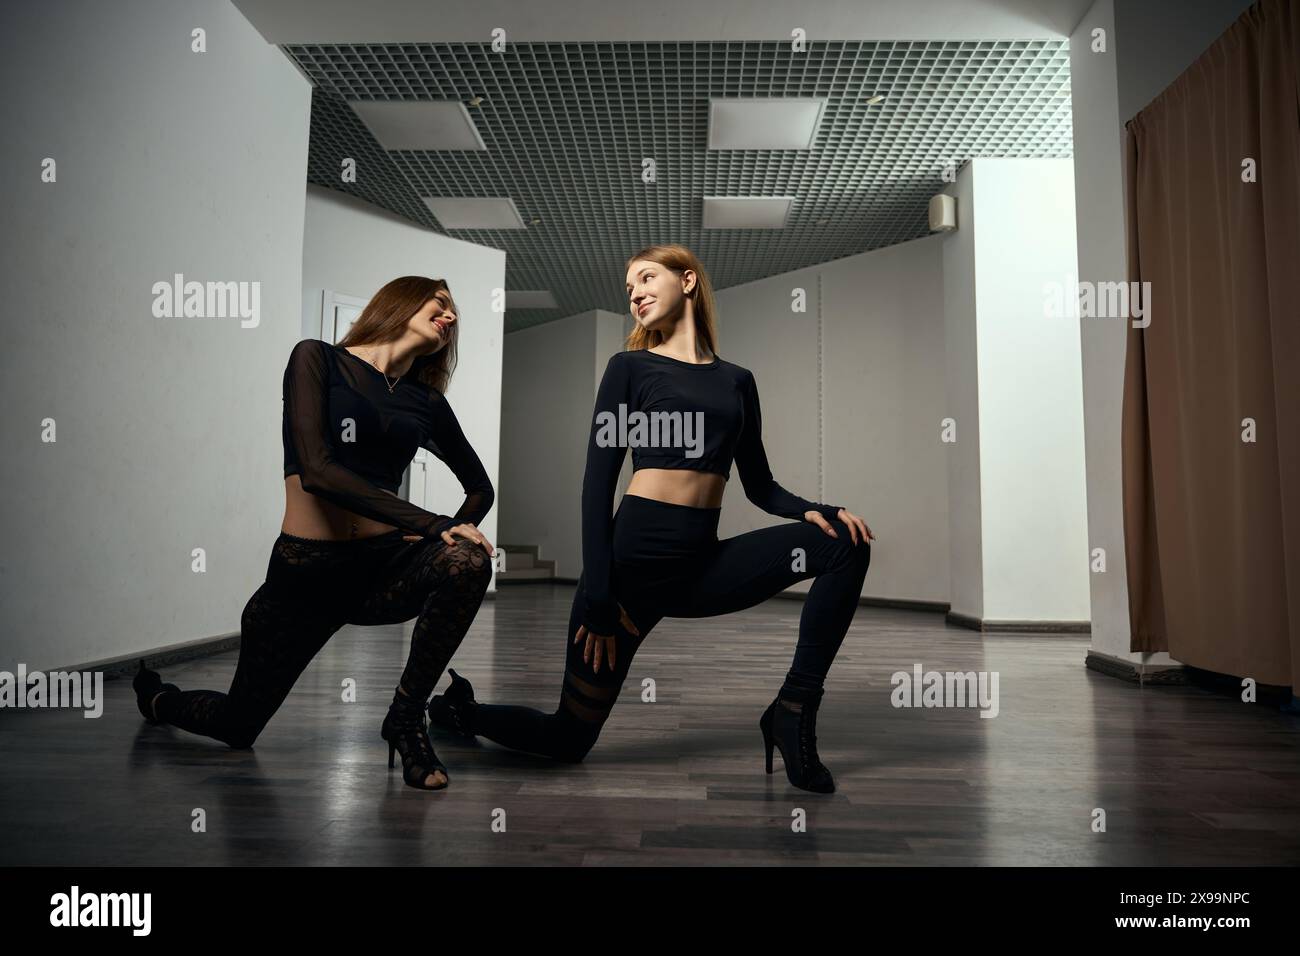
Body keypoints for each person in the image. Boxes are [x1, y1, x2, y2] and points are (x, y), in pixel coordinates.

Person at [429, 245, 872, 793]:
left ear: (688, 281)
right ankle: (460, 713)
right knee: (568, 740)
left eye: (646, 278)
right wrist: (598, 592)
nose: (635, 292)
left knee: (844, 546)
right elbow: (598, 482)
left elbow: (759, 485)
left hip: (702, 568)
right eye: (629, 287)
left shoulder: (737, 380)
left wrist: (818, 510)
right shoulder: (630, 368)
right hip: (629, 578)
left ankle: (793, 710)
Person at [133, 275, 495, 791]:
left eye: (454, 312)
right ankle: (159, 699)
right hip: (305, 577)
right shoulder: (318, 359)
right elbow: (318, 471)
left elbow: (480, 487)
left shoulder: (425, 402)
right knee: (238, 726)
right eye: (441, 303)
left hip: (380, 572)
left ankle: (406, 719)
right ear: (400, 302)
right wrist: (433, 524)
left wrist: (442, 535)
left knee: (468, 561)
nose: (451, 316)